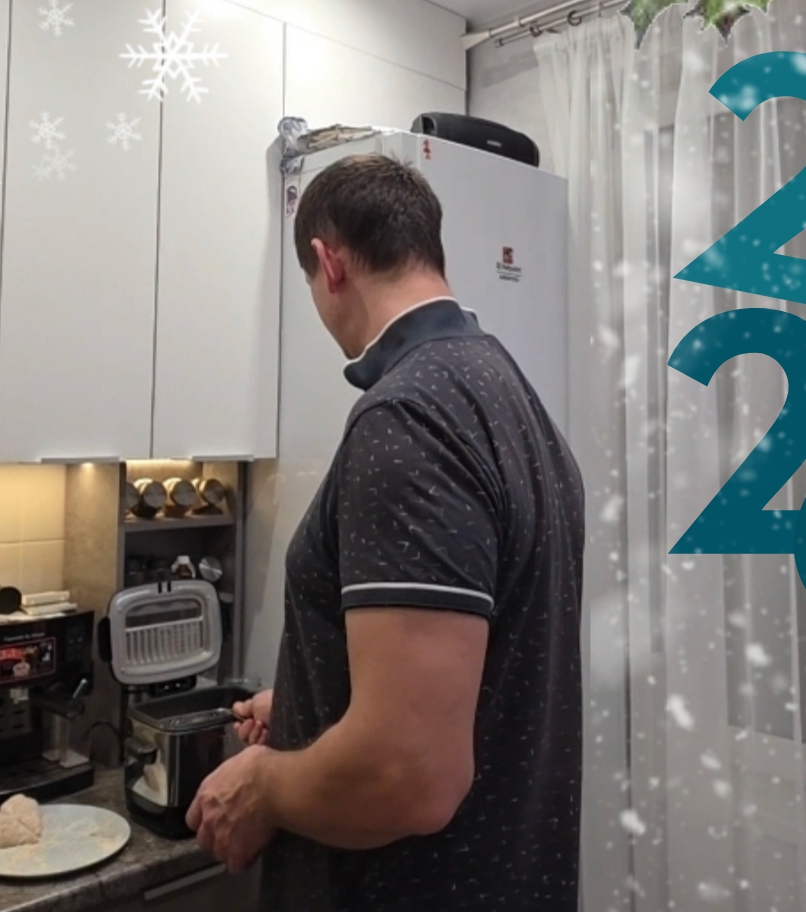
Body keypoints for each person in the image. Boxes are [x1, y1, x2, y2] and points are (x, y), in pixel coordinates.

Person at [186, 153, 585, 910]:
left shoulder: (409, 417)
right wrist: (307, 702)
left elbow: (407, 774)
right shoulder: (505, 391)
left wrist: (264, 783)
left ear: (328, 262)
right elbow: (477, 672)